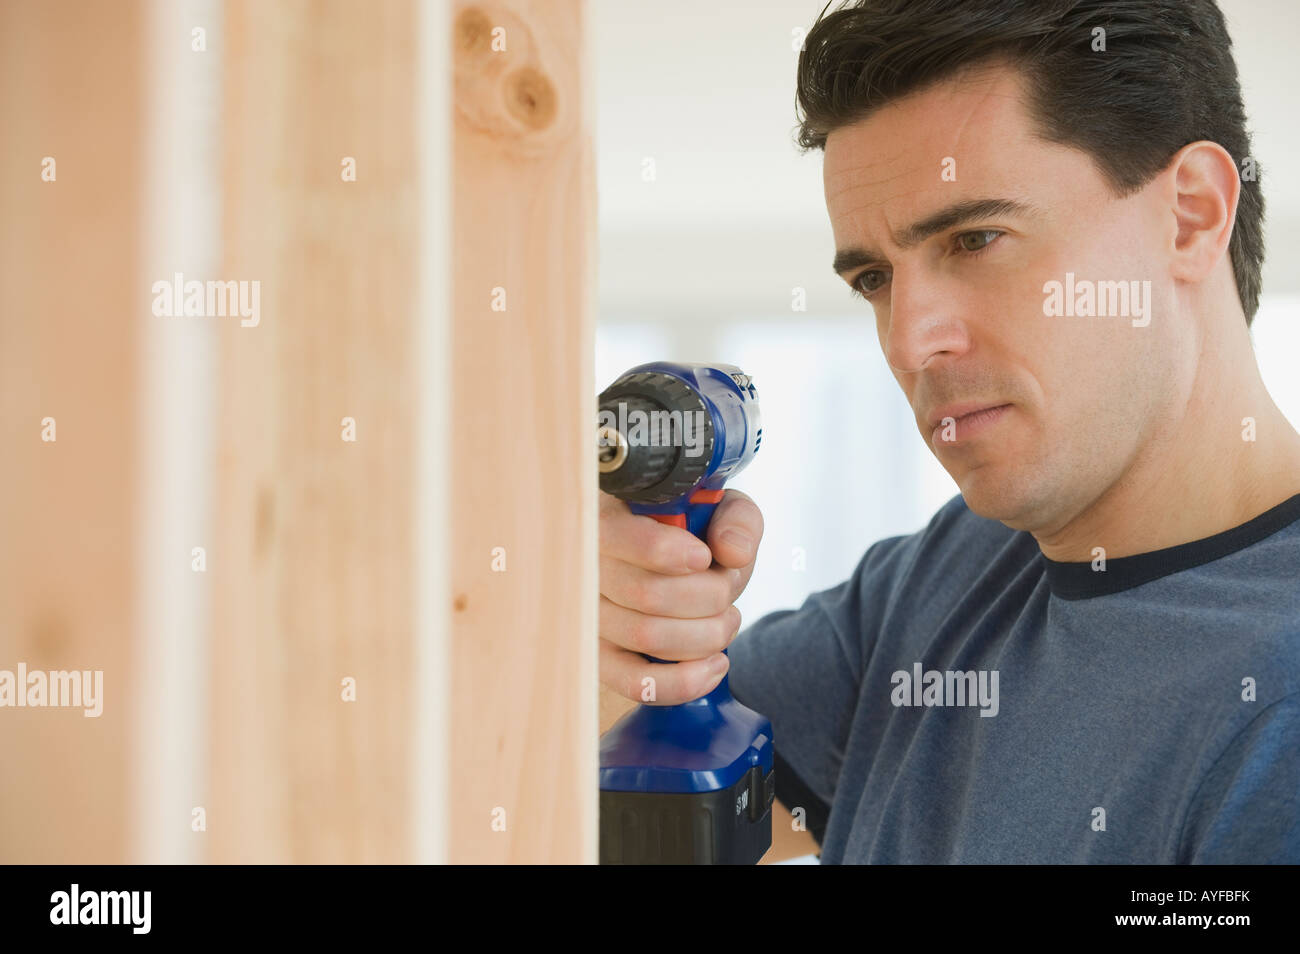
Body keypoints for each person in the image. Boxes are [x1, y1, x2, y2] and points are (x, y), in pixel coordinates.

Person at [598, 0, 1300, 863]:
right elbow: (678, 807)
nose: (907, 341)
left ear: (1189, 215)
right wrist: (611, 628)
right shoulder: (954, 570)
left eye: (976, 238)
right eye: (873, 278)